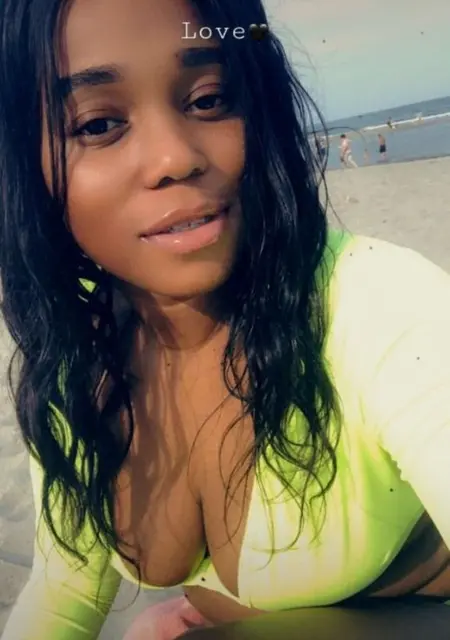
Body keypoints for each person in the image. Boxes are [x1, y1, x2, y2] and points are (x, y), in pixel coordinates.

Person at [1, 1, 450, 639]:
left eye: (209, 100)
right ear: (27, 165)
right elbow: (63, 591)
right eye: (98, 124)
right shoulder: (79, 359)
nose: (174, 157)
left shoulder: (377, 304)